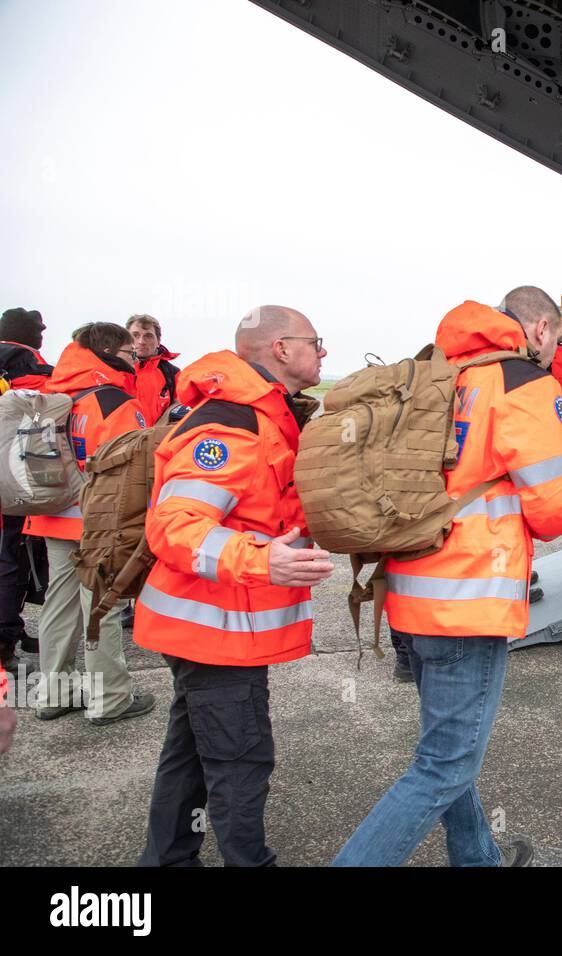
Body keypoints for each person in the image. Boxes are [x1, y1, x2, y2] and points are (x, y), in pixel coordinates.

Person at [334, 288, 562, 867]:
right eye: (561, 338)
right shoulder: (523, 383)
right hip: (468, 600)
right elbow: (552, 509)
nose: (558, 350)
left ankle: (478, 858)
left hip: (410, 593)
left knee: (447, 753)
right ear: (541, 328)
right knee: (443, 765)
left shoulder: (439, 373)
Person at [136, 305, 335, 867]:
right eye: (315, 342)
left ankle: (168, 860)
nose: (323, 353)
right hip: (216, 629)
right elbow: (175, 525)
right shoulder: (233, 422)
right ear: (280, 349)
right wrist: (259, 559)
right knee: (240, 759)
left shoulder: (262, 415)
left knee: (192, 753)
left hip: (209, 627)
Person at [27, 323, 154, 724]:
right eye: (130, 354)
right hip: (99, 522)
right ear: (110, 354)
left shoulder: (51, 393)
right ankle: (110, 698)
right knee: (103, 606)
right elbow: (134, 474)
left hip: (51, 513)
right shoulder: (116, 402)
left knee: (58, 606)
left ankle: (54, 693)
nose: (135, 361)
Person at [0, 307, 53, 674]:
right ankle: (4, 646)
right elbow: (46, 404)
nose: (44, 332)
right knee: (9, 559)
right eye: (39, 328)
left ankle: (13, 632)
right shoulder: (23, 359)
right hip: (11, 478)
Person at [126, 314, 181, 426]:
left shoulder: (173, 375)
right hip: (121, 440)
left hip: (158, 440)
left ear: (158, 340)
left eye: (148, 336)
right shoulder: (114, 370)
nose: (141, 341)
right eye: (135, 335)